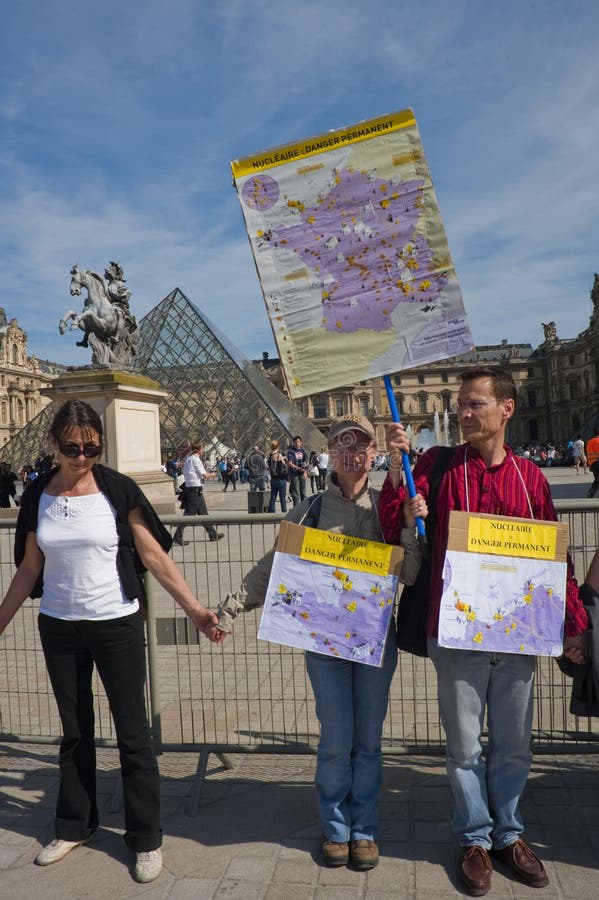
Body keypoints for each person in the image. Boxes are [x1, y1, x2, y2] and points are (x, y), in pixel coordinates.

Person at [378, 367, 589, 897]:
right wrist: (397, 477)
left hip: (516, 634)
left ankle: (509, 834)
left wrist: (574, 625)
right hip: (457, 635)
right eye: (461, 404)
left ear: (506, 409)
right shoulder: (437, 463)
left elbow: (554, 557)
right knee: (464, 745)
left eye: (475, 403)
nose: (465, 413)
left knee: (515, 744)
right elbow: (392, 517)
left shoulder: (531, 477)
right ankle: (474, 837)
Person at [0, 400, 220, 883]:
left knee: (133, 734)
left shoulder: (118, 490)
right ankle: (74, 825)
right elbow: (30, 568)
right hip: (59, 625)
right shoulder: (37, 494)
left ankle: (145, 837)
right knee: (74, 731)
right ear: (53, 444)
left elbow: (154, 556)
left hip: (116, 624)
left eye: (92, 448)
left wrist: (195, 610)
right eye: (72, 448)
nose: (82, 457)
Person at [209, 415, 427, 871]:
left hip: (373, 643)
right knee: (335, 740)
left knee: (368, 741)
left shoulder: (388, 508)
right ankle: (335, 826)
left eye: (360, 444)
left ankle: (364, 828)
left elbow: (408, 573)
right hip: (326, 645)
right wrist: (230, 606)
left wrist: (409, 527)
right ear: (329, 452)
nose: (352, 452)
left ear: (373, 453)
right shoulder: (307, 511)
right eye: (342, 443)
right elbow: (272, 566)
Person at [172, 441, 223, 545]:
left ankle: (213, 534)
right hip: (194, 491)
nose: (203, 450)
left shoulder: (188, 459)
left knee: (203, 513)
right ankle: (177, 537)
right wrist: (214, 474)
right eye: (202, 448)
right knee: (188, 515)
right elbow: (205, 475)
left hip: (193, 490)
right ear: (199, 450)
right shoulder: (195, 460)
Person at [266, 440, 288, 513]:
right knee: (282, 497)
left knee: (273, 496)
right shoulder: (279, 455)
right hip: (281, 479)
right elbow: (284, 466)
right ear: (278, 446)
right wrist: (284, 460)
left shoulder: (270, 456)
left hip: (273, 479)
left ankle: (271, 511)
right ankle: (284, 512)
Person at [287, 435, 308, 505]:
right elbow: (290, 463)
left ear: (301, 442)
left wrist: (305, 472)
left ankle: (304, 508)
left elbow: (305, 461)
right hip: (294, 474)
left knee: (303, 493)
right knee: (296, 494)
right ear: (293, 442)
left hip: (302, 474)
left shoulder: (303, 450)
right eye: (295, 442)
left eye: (298, 442)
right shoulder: (290, 451)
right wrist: (299, 469)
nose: (297, 443)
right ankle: (297, 508)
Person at [586, 428, 599, 496]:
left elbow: (588, 454)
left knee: (597, 479)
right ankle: (590, 492)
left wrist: (589, 465)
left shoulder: (589, 442)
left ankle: (590, 492)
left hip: (593, 463)